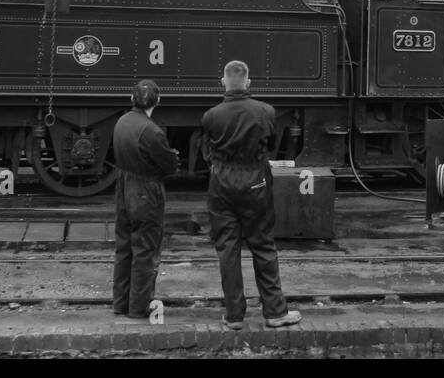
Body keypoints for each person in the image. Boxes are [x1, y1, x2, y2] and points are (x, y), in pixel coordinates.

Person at [201, 60, 302, 330]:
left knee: (227, 249)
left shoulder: (211, 115)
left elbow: (207, 151)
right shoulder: (266, 111)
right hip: (255, 182)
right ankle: (275, 312)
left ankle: (234, 315)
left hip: (221, 183)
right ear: (248, 82)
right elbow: (268, 142)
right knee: (263, 245)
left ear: (223, 81)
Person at [111, 79, 179, 319]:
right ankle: (139, 307)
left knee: (124, 247)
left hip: (123, 186)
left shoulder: (122, 122)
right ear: (157, 101)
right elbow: (169, 166)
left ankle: (120, 303)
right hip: (146, 191)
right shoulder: (152, 131)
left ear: (132, 100)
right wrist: (172, 157)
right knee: (146, 250)